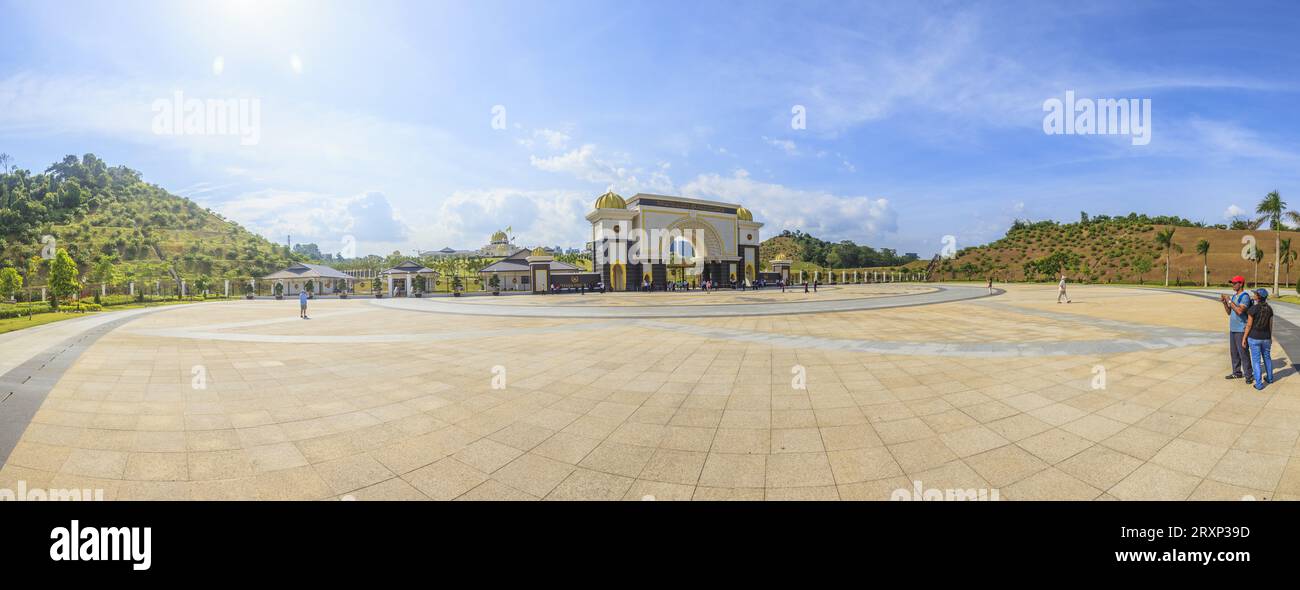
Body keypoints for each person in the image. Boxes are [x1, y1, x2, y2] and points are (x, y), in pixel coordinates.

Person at [1220, 276, 1253, 383]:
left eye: (1235, 283)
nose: (1233, 285)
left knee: (1243, 353)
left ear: (1241, 284)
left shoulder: (1245, 297)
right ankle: (1237, 373)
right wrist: (1225, 302)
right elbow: (1229, 312)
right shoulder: (1234, 296)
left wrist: (1229, 301)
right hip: (1233, 329)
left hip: (1241, 329)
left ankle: (1249, 375)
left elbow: (1239, 311)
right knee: (1234, 353)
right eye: (1232, 283)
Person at [1243, 288, 1275, 391]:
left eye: (1255, 294)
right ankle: (1270, 379)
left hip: (1254, 338)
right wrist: (1270, 337)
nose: (1254, 295)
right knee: (1267, 358)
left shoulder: (1253, 309)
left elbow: (1248, 325)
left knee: (1256, 361)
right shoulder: (1270, 309)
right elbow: (1270, 325)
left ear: (1258, 297)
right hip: (1266, 338)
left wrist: (1244, 338)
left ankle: (1259, 384)